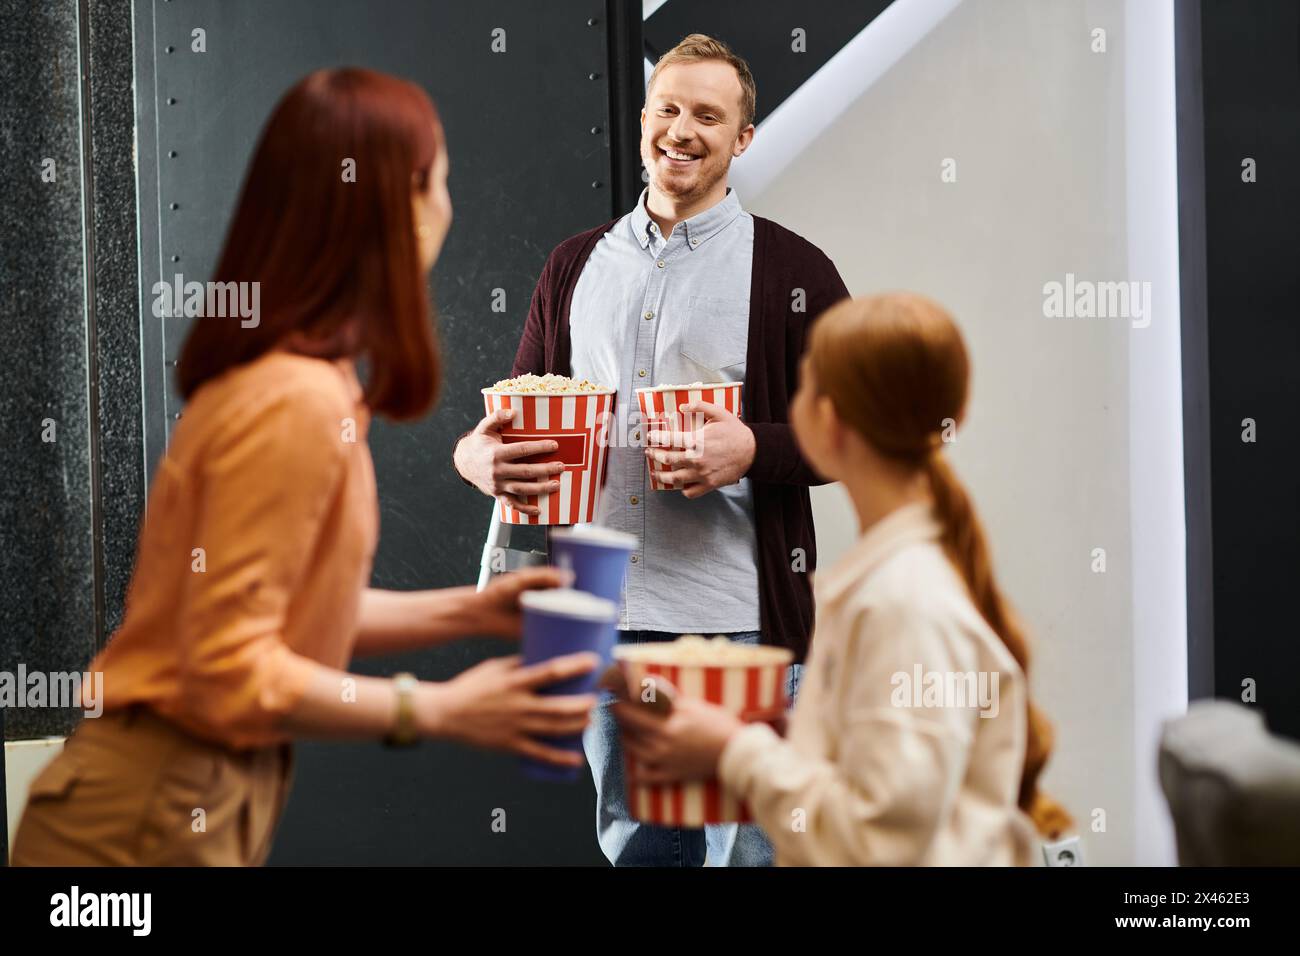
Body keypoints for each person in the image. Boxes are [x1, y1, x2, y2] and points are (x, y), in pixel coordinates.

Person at [12, 68, 597, 867]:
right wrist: (437, 710)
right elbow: (232, 667)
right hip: (141, 822)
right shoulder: (291, 401)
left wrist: (474, 611)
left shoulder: (305, 384)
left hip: (183, 803)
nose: (449, 208)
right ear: (400, 207)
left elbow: (294, 615)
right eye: (442, 181)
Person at [452, 34, 849, 866]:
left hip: (741, 625)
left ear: (743, 138)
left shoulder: (792, 270)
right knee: (638, 851)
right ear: (643, 122)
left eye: (709, 115)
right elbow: (517, 415)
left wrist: (753, 447)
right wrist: (475, 459)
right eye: (668, 109)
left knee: (746, 855)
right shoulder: (574, 265)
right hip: (606, 615)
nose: (683, 129)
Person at [614, 293, 1074, 865]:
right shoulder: (901, 583)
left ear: (826, 419)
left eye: (803, 385)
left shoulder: (899, 603)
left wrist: (734, 750)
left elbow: (882, 840)